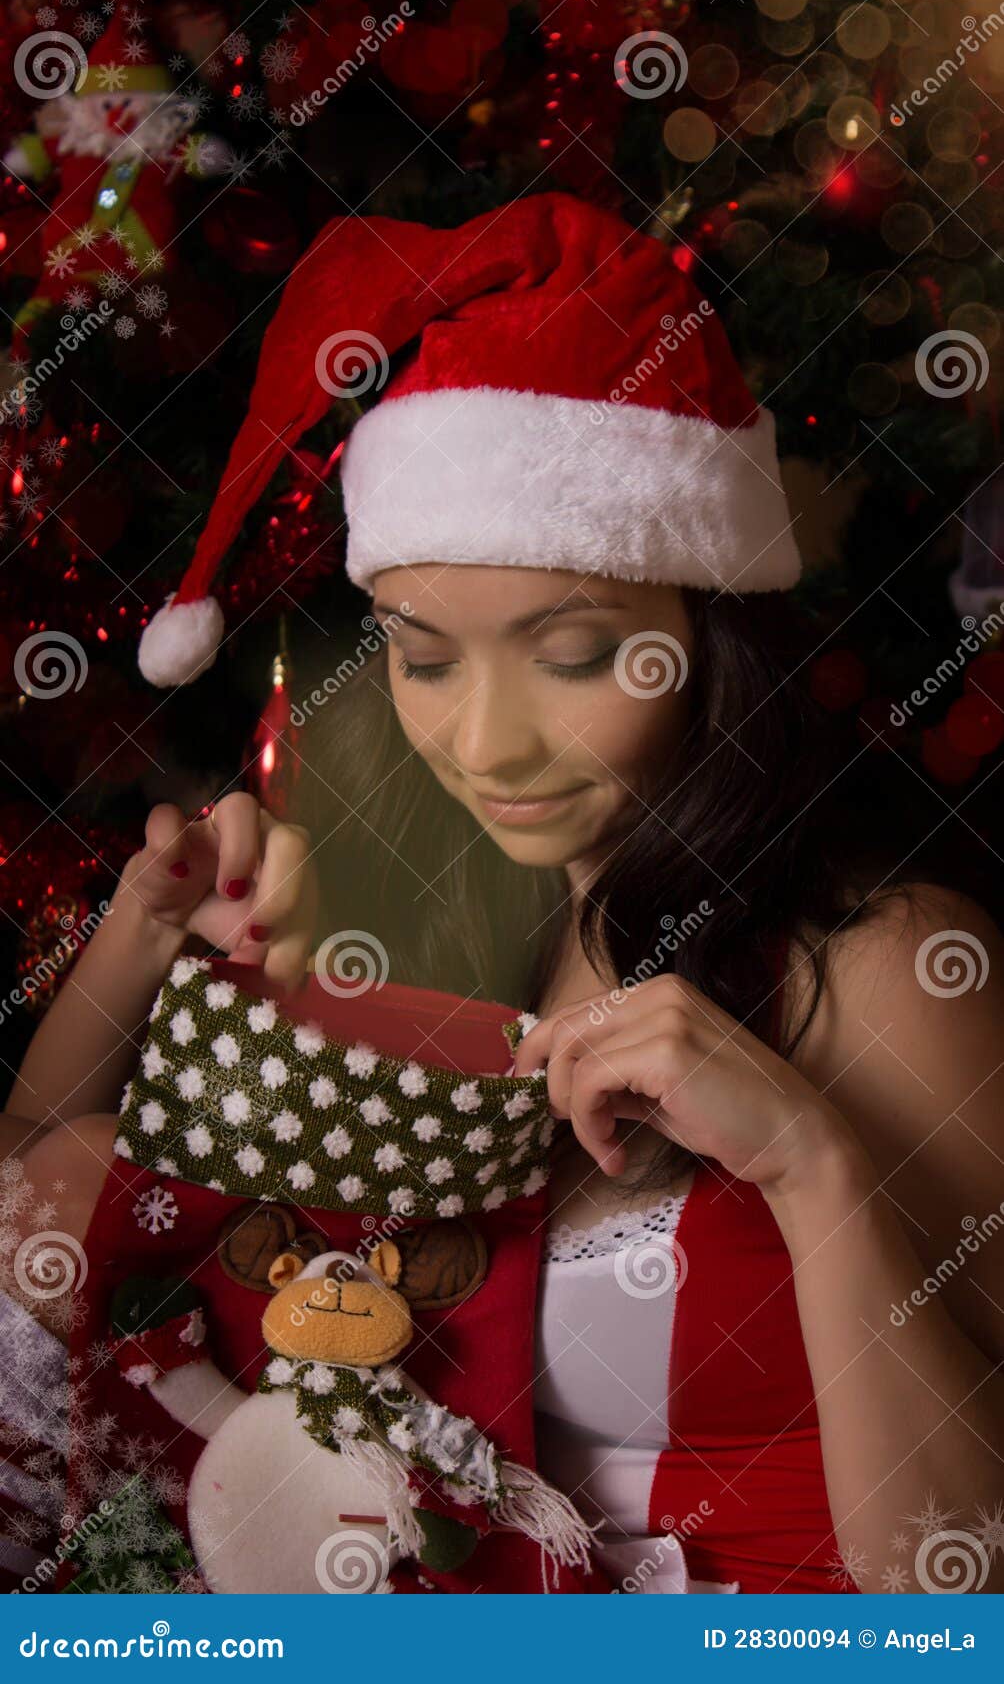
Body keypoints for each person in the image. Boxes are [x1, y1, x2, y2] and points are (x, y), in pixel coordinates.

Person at [3, 193, 1003, 1595]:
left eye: (575, 653)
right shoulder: (435, 931)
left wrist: (809, 1163)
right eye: (424, 656)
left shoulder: (884, 964)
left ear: (708, 641)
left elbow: (970, 1581)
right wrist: (144, 933)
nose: (487, 745)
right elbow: (44, 1213)